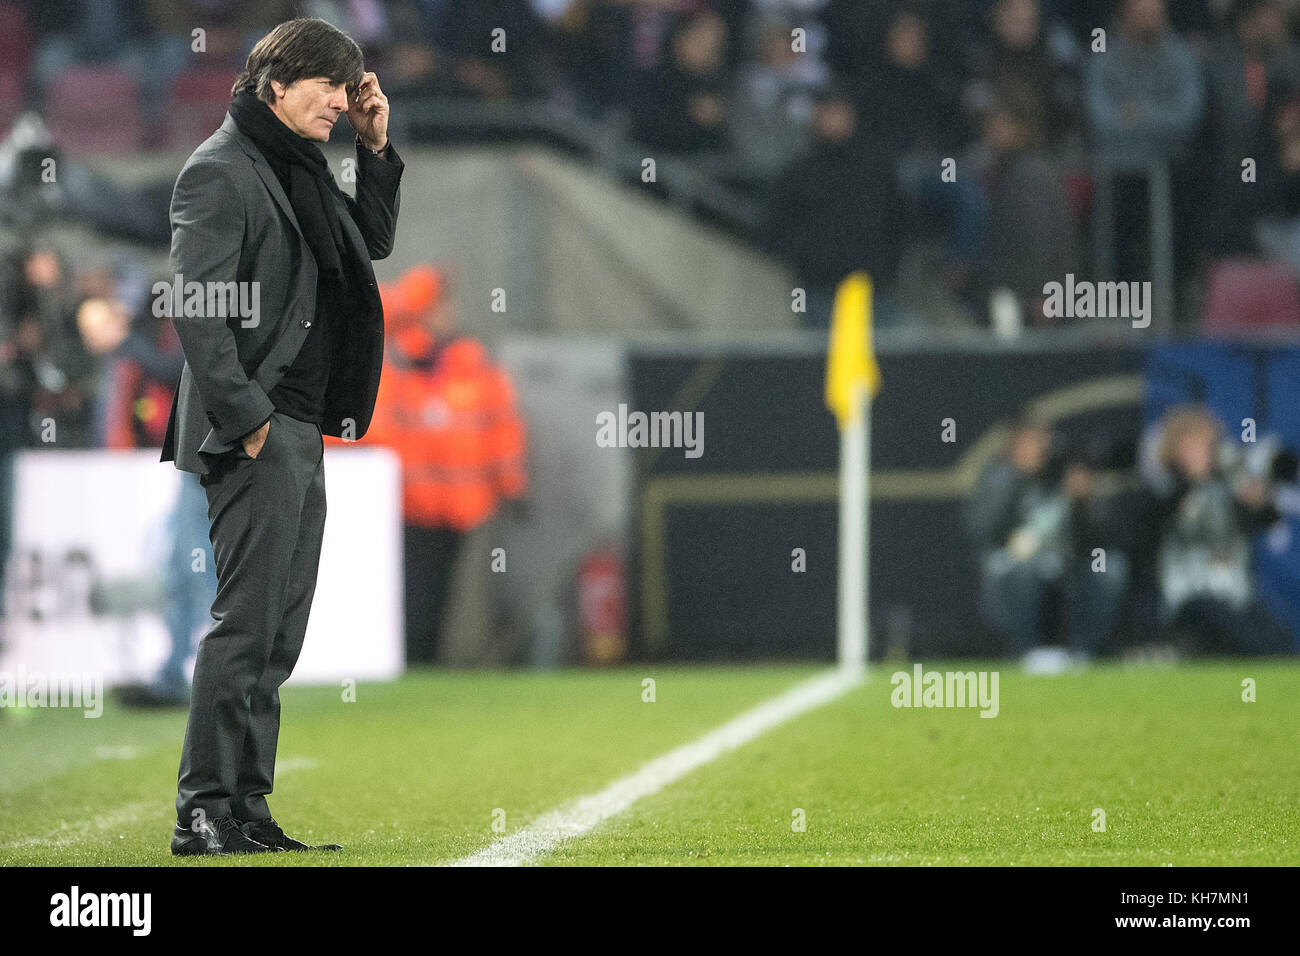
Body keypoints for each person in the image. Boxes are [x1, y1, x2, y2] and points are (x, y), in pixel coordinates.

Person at [159, 17, 403, 856]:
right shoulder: (220, 170)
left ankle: (247, 810)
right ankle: (203, 809)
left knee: (278, 637)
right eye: (330, 87)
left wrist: (374, 149)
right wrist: (250, 420)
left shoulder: (292, 166)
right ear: (277, 86)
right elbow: (195, 309)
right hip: (259, 429)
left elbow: (370, 242)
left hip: (301, 425)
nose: (343, 101)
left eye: (347, 87)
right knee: (245, 627)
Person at [359, 266, 528, 666]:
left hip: (462, 507)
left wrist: (511, 483)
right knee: (408, 590)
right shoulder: (394, 363)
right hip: (409, 505)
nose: (445, 314)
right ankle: (410, 661)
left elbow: (501, 427)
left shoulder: (473, 364)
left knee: (444, 592)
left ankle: (429, 661)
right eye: (436, 306)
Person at [965, 412, 1130, 661]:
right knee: (1023, 568)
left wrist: (1082, 503)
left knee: (1109, 567)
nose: (1039, 448)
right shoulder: (998, 477)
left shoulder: (1061, 476)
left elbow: (1098, 538)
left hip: (1063, 564)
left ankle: (1083, 652)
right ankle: (1027, 652)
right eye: (1030, 442)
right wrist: (1018, 478)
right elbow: (983, 530)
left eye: (1042, 441)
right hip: (1010, 566)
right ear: (1014, 446)